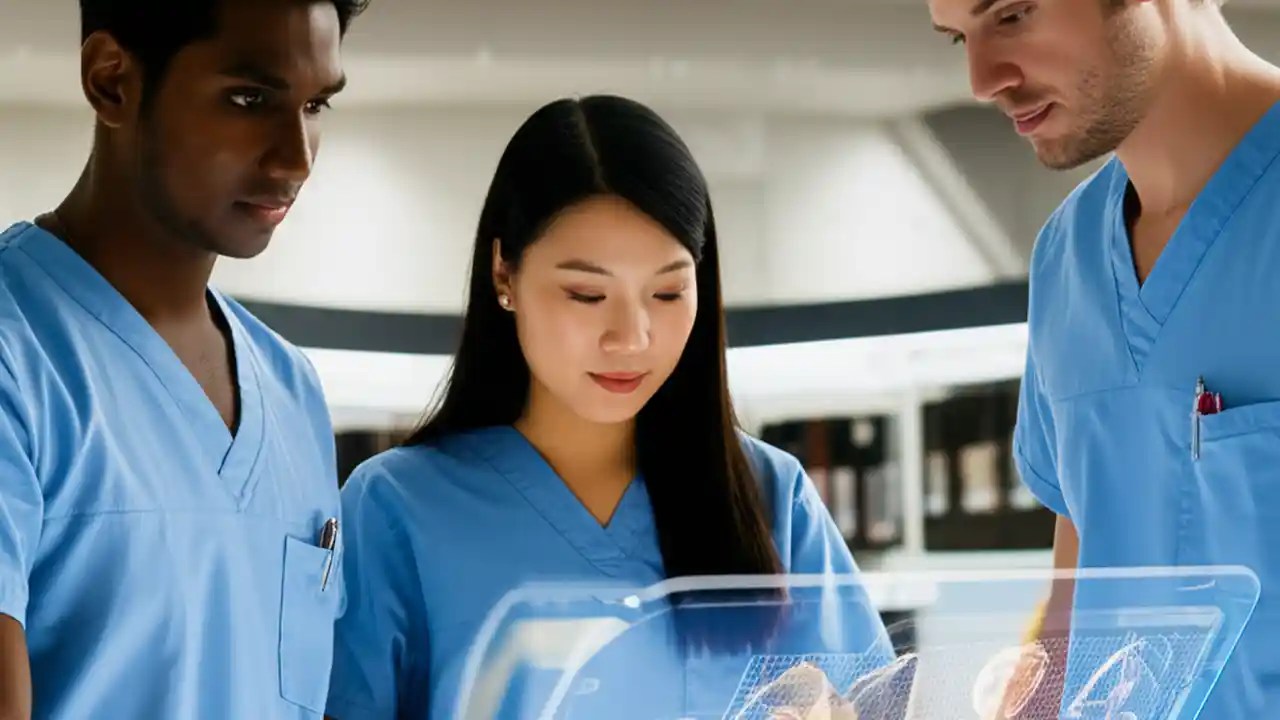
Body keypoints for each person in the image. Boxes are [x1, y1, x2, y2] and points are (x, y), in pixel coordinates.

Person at [323, 95, 892, 720]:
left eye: (668, 291)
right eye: (587, 293)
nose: (632, 336)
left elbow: (874, 703)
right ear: (503, 275)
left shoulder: (769, 497)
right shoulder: (398, 510)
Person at [0, 0, 369, 717]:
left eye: (316, 104)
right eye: (249, 99)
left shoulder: (291, 387)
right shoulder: (18, 356)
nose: (295, 158)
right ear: (112, 81)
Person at [928, 0, 1280, 715]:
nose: (981, 78)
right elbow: (1081, 575)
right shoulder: (1068, 258)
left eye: (1012, 15)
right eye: (961, 37)